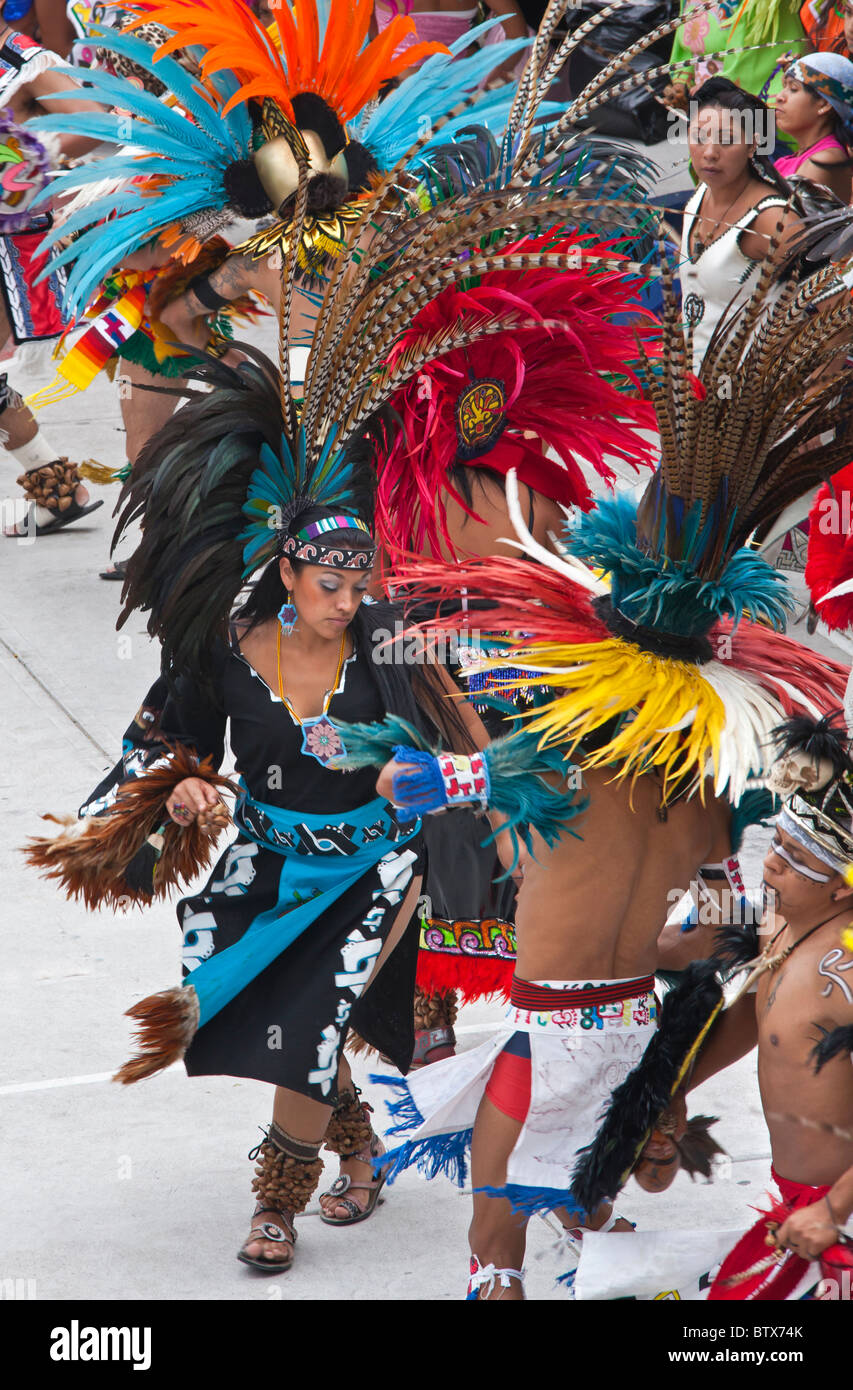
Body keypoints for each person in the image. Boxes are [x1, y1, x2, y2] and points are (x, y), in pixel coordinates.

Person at [341, 243, 853, 1298]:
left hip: (557, 1033)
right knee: (580, 1218)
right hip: (641, 1031)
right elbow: (713, 917)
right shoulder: (708, 773)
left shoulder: (563, 748)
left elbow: (428, 786)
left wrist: (415, 760)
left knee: (498, 1249)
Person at [633, 711, 853, 1300]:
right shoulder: (779, 920)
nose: (771, 862)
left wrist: (835, 1209)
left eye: (796, 856)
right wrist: (675, 1084)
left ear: (844, 886)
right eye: (776, 841)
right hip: (797, 1209)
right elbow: (763, 1020)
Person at [0, 6, 104, 535]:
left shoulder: (22, 60)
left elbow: (92, 121)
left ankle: (58, 489)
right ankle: (58, 488)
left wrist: (27, 161)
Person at [680, 79, 801, 370]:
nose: (709, 152)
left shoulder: (775, 220)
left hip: (746, 398)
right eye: (699, 137)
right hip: (691, 389)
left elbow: (825, 302)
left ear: (752, 146)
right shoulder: (700, 195)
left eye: (725, 140)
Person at [773, 52, 853, 199]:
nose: (779, 97)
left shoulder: (824, 161)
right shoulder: (804, 156)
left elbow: (785, 220)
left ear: (824, 104)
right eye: (784, 87)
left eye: (793, 89)